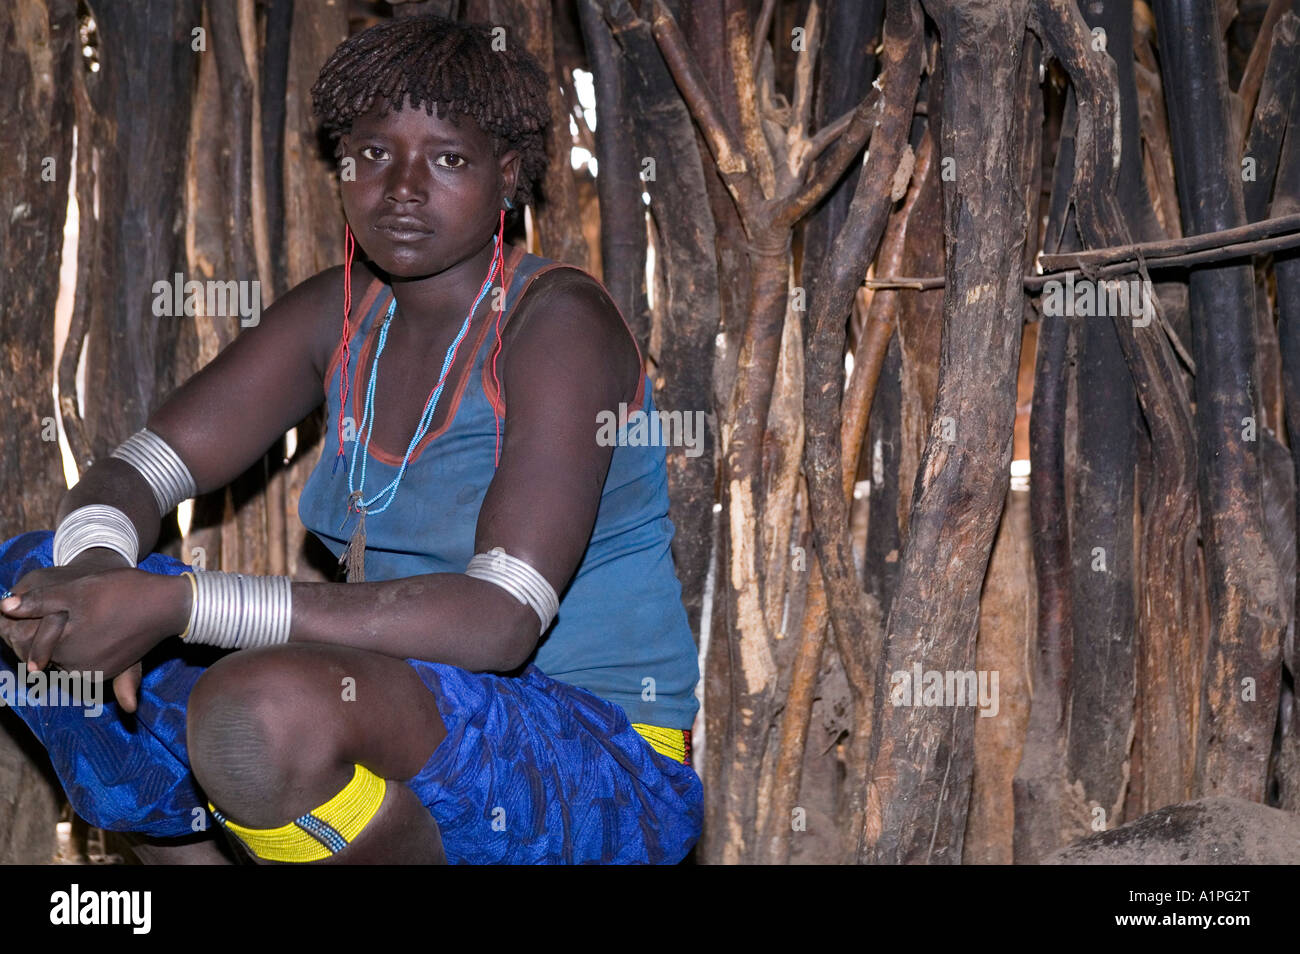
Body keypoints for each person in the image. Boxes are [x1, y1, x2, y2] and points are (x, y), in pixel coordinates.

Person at [0, 14, 702, 865]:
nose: (402, 187)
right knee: (32, 581)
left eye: (447, 159)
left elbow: (499, 625)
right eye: (374, 154)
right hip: (410, 705)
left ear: (508, 174)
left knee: (261, 715)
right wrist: (100, 567)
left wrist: (180, 603)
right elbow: (139, 470)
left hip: (594, 759)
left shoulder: (558, 325)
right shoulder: (339, 311)